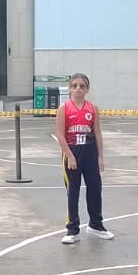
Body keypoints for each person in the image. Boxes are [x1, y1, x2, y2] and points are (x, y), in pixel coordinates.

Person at [54, 72, 112, 244]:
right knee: (73, 192)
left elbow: (97, 133)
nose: (78, 89)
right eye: (74, 86)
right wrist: (70, 156)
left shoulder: (92, 108)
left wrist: (101, 156)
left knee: (95, 189)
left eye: (82, 86)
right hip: (72, 152)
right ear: (70, 88)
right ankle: (72, 229)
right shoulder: (64, 108)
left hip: (90, 152)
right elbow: (60, 134)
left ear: (87, 89)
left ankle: (96, 225)